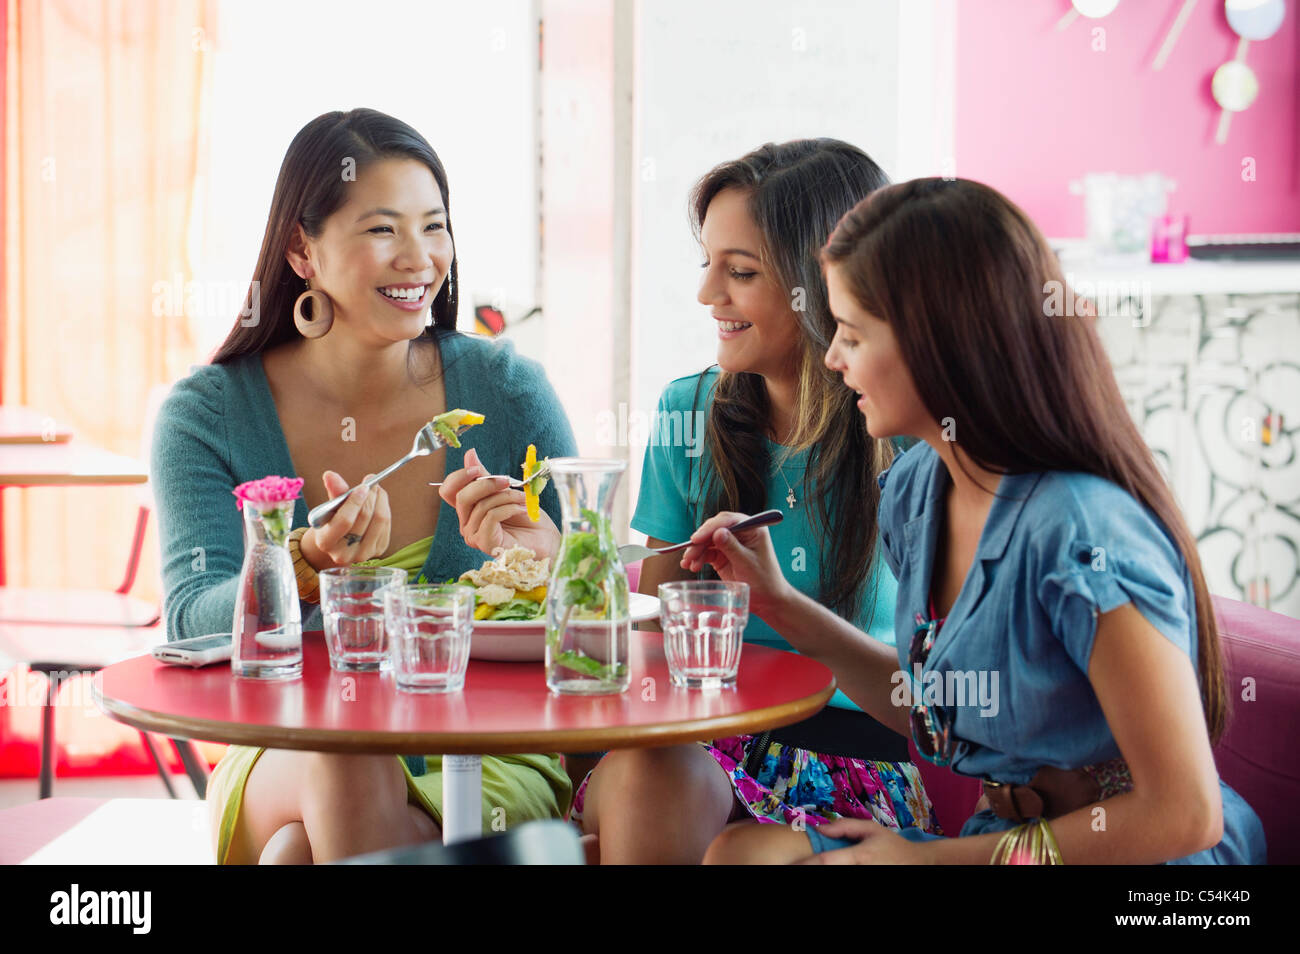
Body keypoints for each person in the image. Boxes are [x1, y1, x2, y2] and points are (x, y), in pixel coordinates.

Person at [689, 177, 1267, 864]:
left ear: (939, 343)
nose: (834, 358)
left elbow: (1184, 813)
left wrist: (922, 861)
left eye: (850, 333)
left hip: (1135, 855)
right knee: (744, 854)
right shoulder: (916, 491)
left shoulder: (1082, 531)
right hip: (1001, 839)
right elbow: (936, 708)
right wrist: (780, 605)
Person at [151, 109, 575, 864]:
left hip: (488, 751)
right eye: (382, 230)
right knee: (344, 757)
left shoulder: (508, 393)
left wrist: (543, 559)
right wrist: (303, 562)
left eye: (435, 226)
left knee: (294, 854)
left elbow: (597, 615)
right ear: (300, 249)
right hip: (293, 745)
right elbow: (192, 626)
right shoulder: (206, 416)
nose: (420, 259)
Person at [572, 141, 940, 864]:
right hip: (692, 747)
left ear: (827, 284)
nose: (709, 295)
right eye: (707, 264)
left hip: (852, 765)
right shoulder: (688, 413)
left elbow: (935, 703)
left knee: (741, 851)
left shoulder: (909, 439)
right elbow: (652, 649)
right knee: (656, 775)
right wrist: (562, 558)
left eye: (739, 272)